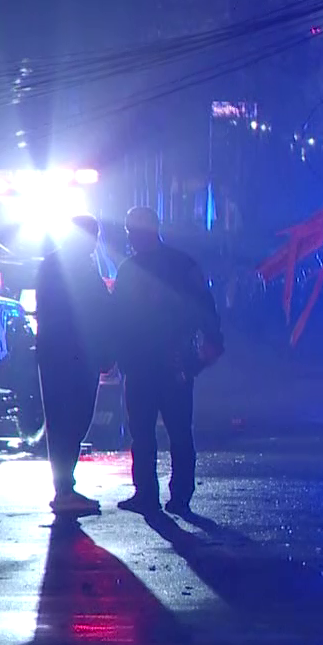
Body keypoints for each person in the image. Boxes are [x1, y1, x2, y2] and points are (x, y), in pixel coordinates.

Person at [110, 206, 223, 516]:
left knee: (148, 431)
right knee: (173, 431)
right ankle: (176, 496)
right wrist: (207, 349)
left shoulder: (131, 269)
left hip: (153, 363)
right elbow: (205, 308)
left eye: (133, 233)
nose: (131, 238)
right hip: (170, 362)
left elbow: (116, 319)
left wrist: (117, 356)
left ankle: (150, 494)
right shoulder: (181, 264)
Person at [33, 215, 110, 515]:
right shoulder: (61, 265)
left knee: (74, 419)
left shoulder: (77, 264)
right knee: (67, 419)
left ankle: (66, 486)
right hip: (67, 354)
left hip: (73, 353)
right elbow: (88, 309)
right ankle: (64, 489)